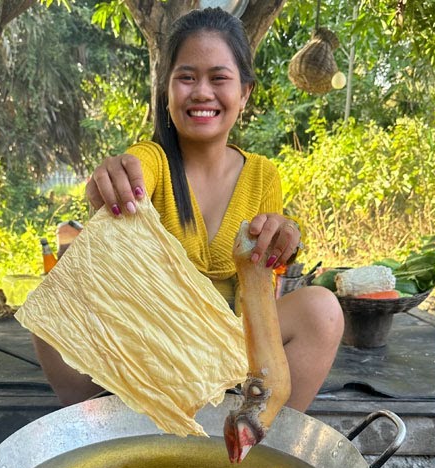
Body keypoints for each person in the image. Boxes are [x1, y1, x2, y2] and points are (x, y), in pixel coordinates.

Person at [32, 7, 343, 409]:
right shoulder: (153, 160)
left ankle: (261, 432)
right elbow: (136, 169)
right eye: (186, 77)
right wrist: (117, 175)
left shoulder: (263, 175)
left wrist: (283, 240)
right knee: (55, 296)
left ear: (244, 93)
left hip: (233, 345)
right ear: (167, 90)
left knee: (323, 309)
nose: (201, 92)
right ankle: (102, 427)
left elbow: (260, 294)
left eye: (219, 78)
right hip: (151, 347)